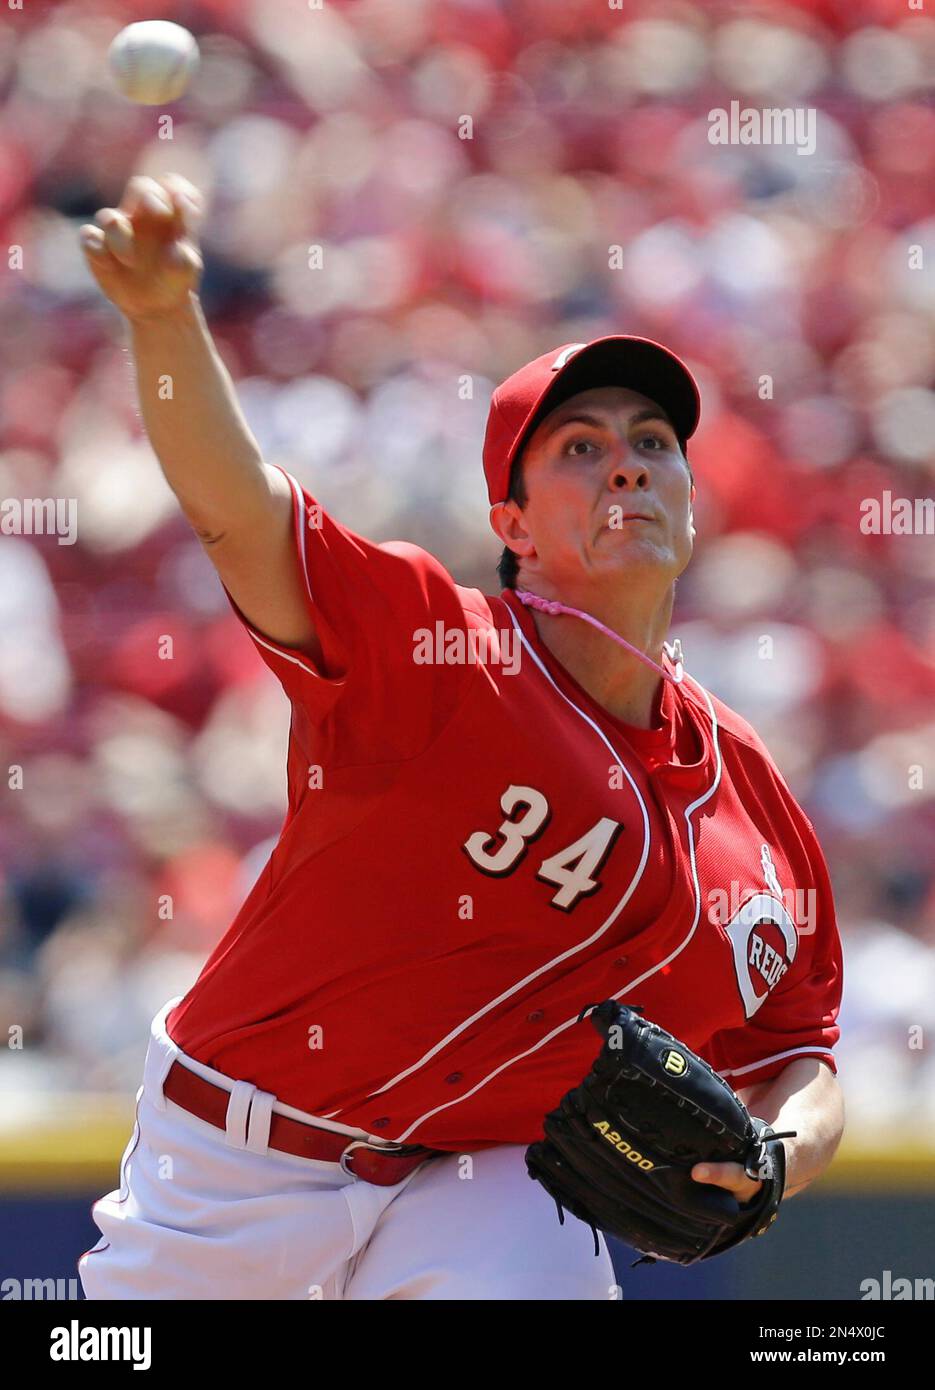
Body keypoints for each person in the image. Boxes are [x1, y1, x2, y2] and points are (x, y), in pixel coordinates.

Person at [76, 174, 844, 1301]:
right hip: (238, 1160)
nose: (627, 461)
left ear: (689, 494)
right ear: (512, 527)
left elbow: (799, 1054)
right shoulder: (441, 656)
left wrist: (778, 1153)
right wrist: (160, 318)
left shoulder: (749, 804)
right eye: (578, 448)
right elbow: (238, 511)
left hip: (480, 1178)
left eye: (651, 441)